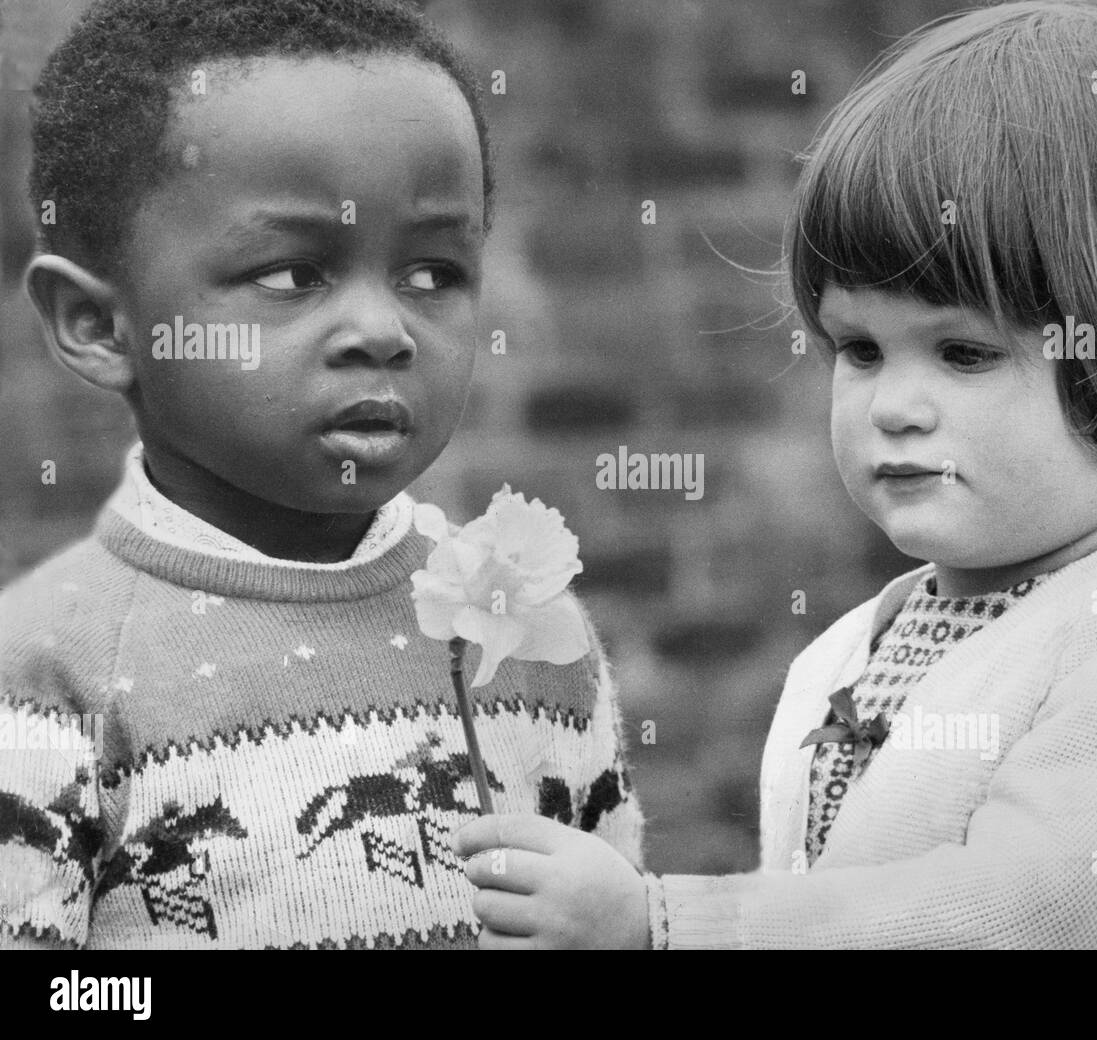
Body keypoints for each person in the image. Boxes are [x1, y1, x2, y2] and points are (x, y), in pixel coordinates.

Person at [455, 0, 1097, 949]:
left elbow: (1009, 917)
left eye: (965, 353)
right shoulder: (862, 642)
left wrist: (664, 923)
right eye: (860, 349)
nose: (893, 404)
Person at [0, 0, 641, 949]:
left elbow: (623, 911)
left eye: (432, 273)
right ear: (98, 325)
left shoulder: (525, 623)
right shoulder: (48, 674)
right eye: (295, 275)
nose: (384, 331)